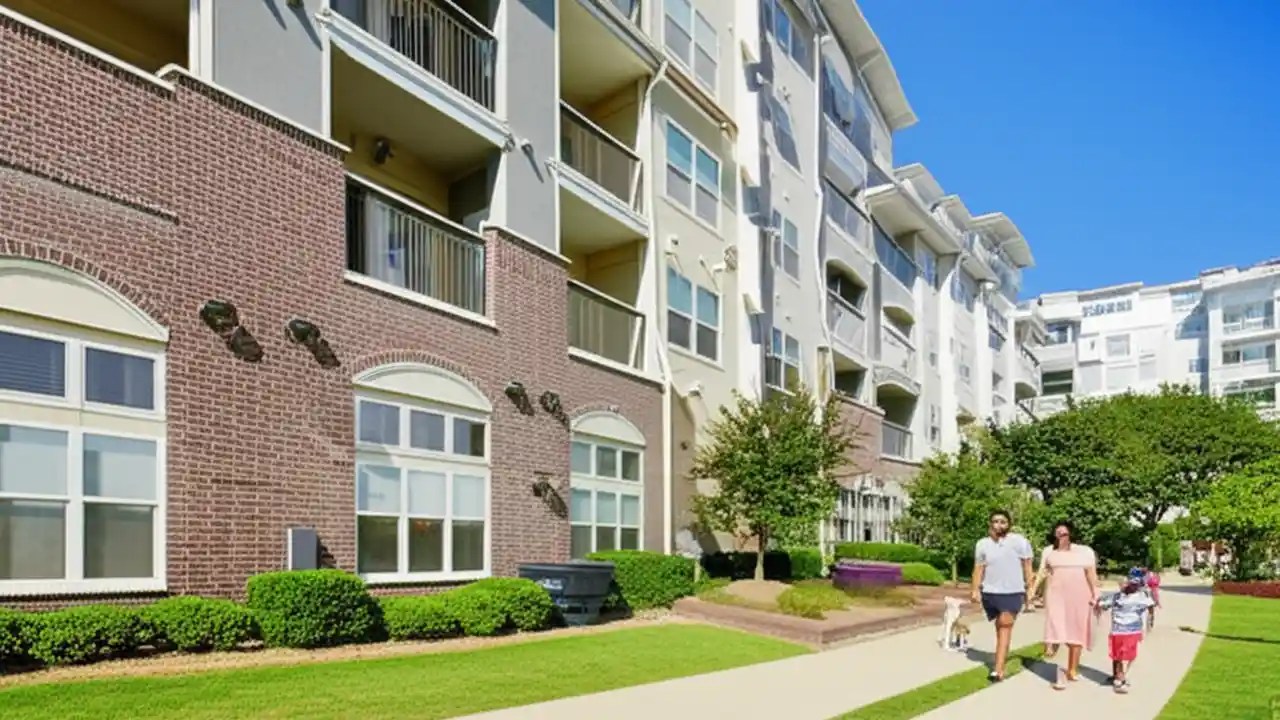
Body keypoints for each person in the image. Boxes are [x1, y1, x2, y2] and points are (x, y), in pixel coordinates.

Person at [1028, 521, 1100, 690]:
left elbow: (1091, 575)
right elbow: (1042, 573)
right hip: (1056, 597)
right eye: (1057, 534)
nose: (1060, 537)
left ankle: (1072, 670)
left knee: (1075, 634)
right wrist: (1033, 590)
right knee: (1057, 633)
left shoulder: (1084, 551)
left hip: (1080, 597)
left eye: (1064, 534)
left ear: (1071, 535)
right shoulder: (1049, 552)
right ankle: (1060, 676)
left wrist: (1096, 594)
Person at [971, 509, 1034, 682]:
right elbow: (978, 568)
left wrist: (1030, 589)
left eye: (1003, 522)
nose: (999, 525)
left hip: (1013, 592)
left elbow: (1027, 566)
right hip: (990, 593)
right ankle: (1001, 657)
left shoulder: (1019, 542)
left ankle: (998, 670)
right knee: (999, 628)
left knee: (1005, 625)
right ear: (990, 524)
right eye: (995, 521)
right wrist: (975, 589)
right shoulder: (982, 544)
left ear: (1009, 524)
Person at [1096, 576, 1156, 693]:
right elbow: (1103, 603)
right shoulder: (1117, 597)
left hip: (1132, 630)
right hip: (1117, 630)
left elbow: (1151, 605)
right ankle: (1118, 677)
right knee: (1117, 654)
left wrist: (1150, 619)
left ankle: (1121, 676)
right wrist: (1097, 602)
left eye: (1132, 585)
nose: (1127, 587)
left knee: (1127, 655)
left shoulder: (1141, 597)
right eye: (1123, 584)